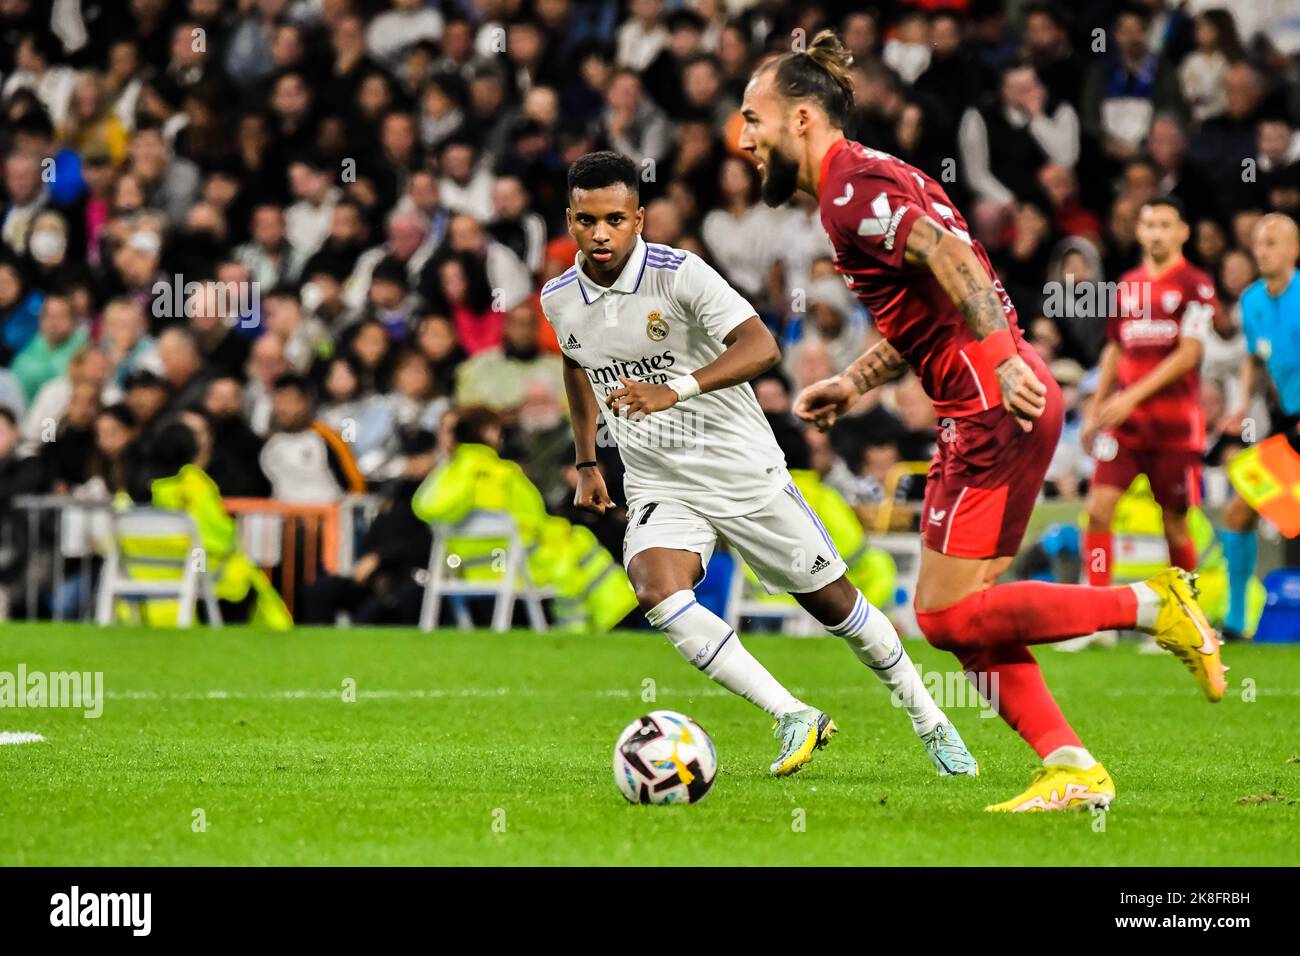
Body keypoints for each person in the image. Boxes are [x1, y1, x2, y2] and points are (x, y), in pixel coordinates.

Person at [740, 31, 1222, 810]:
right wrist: (855, 381)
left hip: (992, 403)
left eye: (752, 118)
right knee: (966, 623)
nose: (743, 138)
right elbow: (922, 312)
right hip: (990, 396)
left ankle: (1148, 604)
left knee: (943, 613)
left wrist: (998, 357)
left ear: (800, 118)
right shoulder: (878, 176)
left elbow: (951, 259)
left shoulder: (847, 190)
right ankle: (1070, 765)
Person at [543, 150, 976, 778]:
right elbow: (575, 364)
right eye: (587, 221)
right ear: (570, 221)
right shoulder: (560, 298)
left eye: (615, 219)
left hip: (741, 470)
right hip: (659, 479)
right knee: (658, 591)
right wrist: (587, 460)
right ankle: (792, 714)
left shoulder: (682, 275)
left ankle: (930, 721)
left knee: (838, 609)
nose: (601, 233)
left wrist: (677, 388)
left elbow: (762, 346)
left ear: (639, 219)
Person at [1082, 198, 1216, 595]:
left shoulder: (1197, 285)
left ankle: (1184, 610)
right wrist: (1096, 408)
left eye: (1164, 224)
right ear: (1138, 232)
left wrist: (1130, 396)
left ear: (1182, 232)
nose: (1156, 232)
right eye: (1149, 224)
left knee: (1174, 521)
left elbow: (1189, 353)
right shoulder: (1125, 285)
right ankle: (1098, 609)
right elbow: (1114, 350)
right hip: (1127, 427)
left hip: (1176, 427)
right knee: (1097, 511)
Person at [1219, 214, 1300, 641]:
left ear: (1294, 249)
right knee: (1238, 510)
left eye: (1271, 242)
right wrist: (1241, 405)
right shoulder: (1251, 301)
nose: (1261, 250)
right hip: (1288, 424)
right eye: (1257, 243)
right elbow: (1254, 358)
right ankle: (1235, 620)